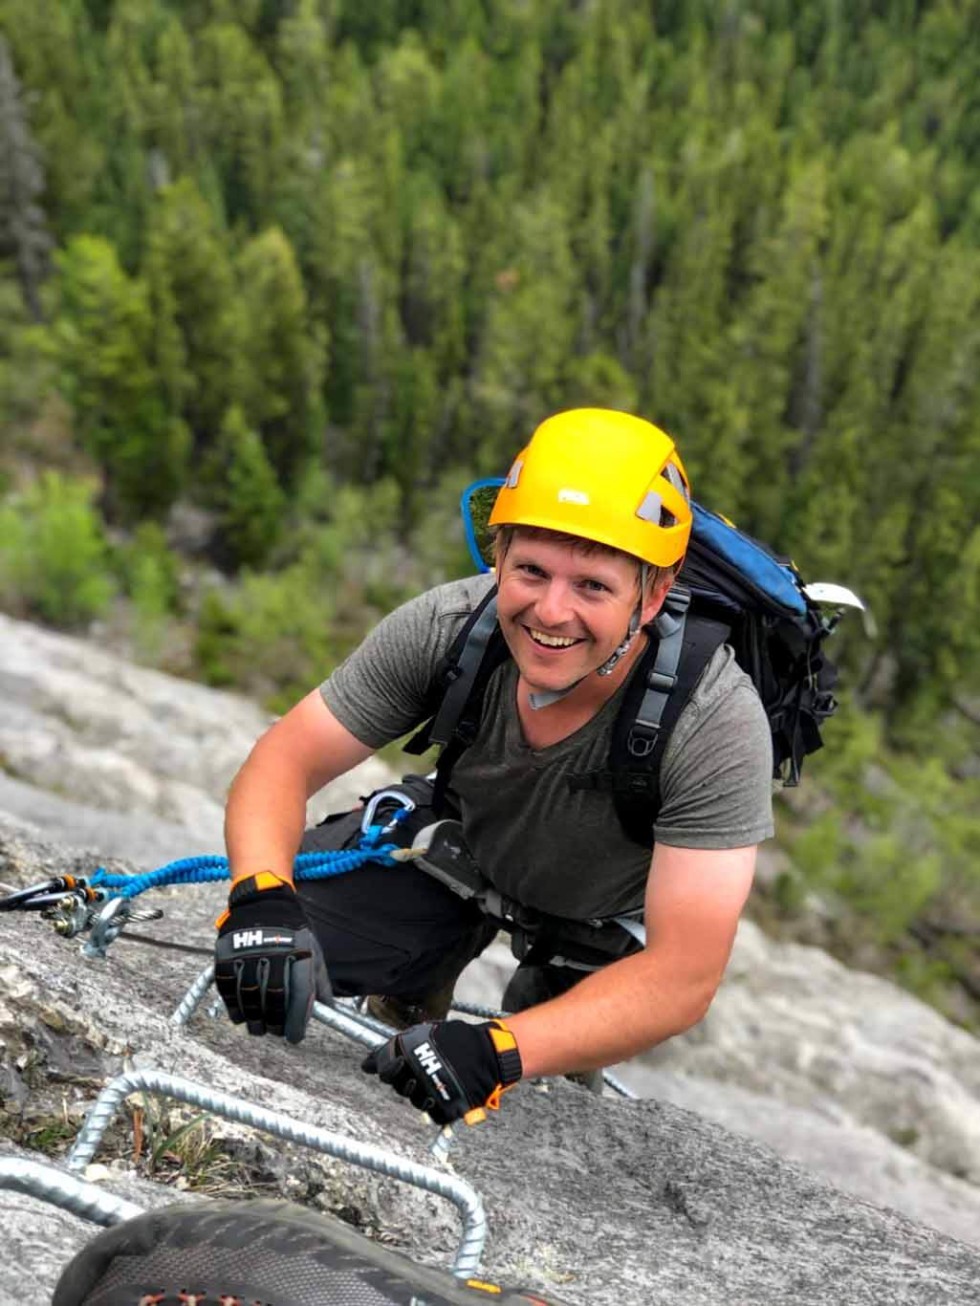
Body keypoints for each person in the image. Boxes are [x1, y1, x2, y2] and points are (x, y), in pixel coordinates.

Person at [214, 408, 773, 1125]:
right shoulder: (449, 628)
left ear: (653, 595)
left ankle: (521, 1031)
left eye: (593, 587)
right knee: (288, 960)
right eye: (531, 571)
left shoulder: (714, 721)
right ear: (498, 556)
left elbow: (683, 975)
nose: (552, 610)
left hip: (605, 923)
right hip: (463, 853)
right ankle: (416, 986)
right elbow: (283, 762)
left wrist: (500, 1052)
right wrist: (261, 899)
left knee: (538, 1100)